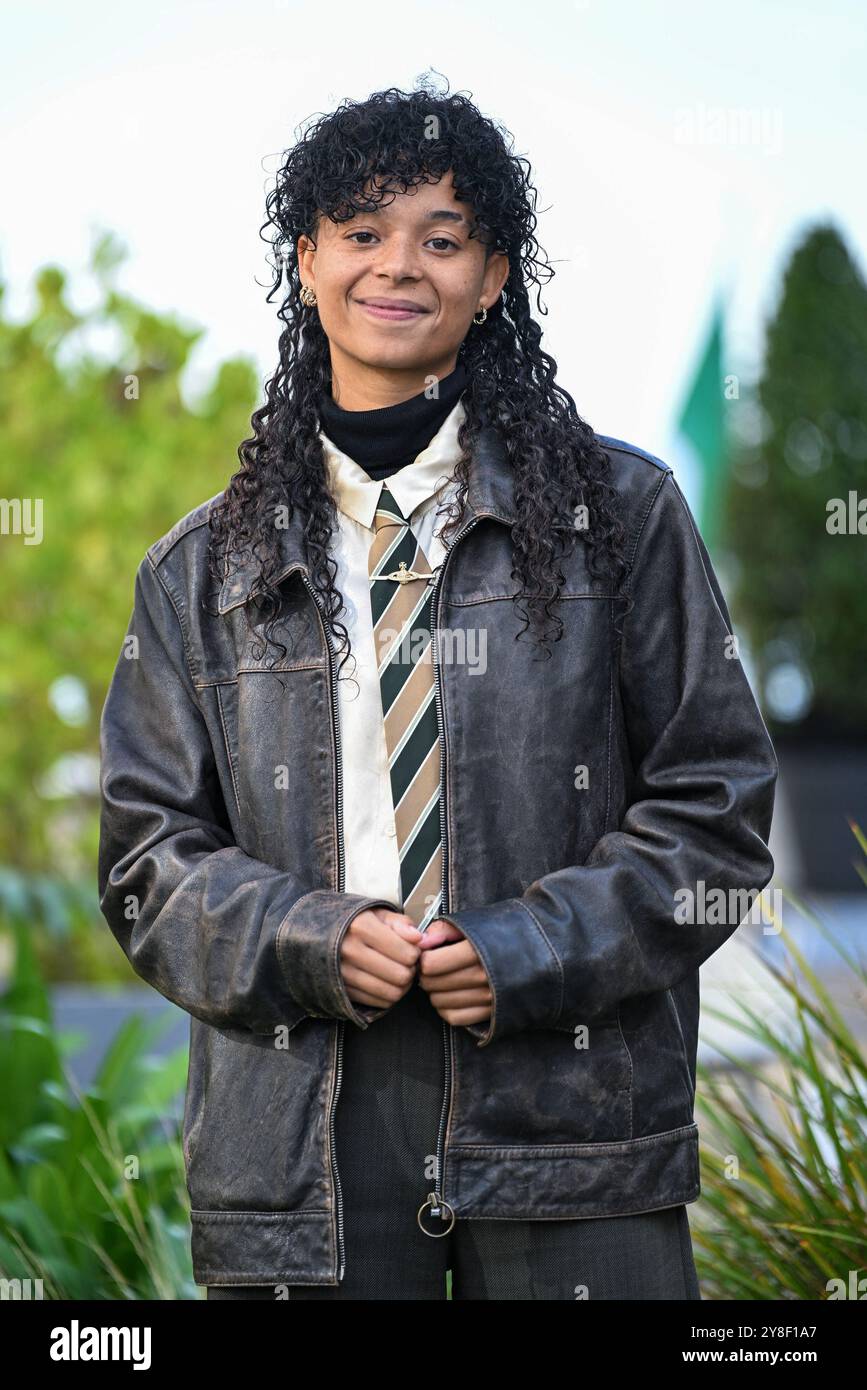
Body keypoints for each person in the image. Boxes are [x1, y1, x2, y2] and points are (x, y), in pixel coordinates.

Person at [97, 79, 778, 1301]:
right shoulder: (198, 571)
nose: (397, 265)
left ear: (494, 276)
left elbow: (718, 809)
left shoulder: (622, 520)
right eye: (361, 232)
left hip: (573, 1120)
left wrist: (527, 948)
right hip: (298, 1136)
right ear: (305, 261)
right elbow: (147, 862)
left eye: (442, 237)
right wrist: (313, 938)